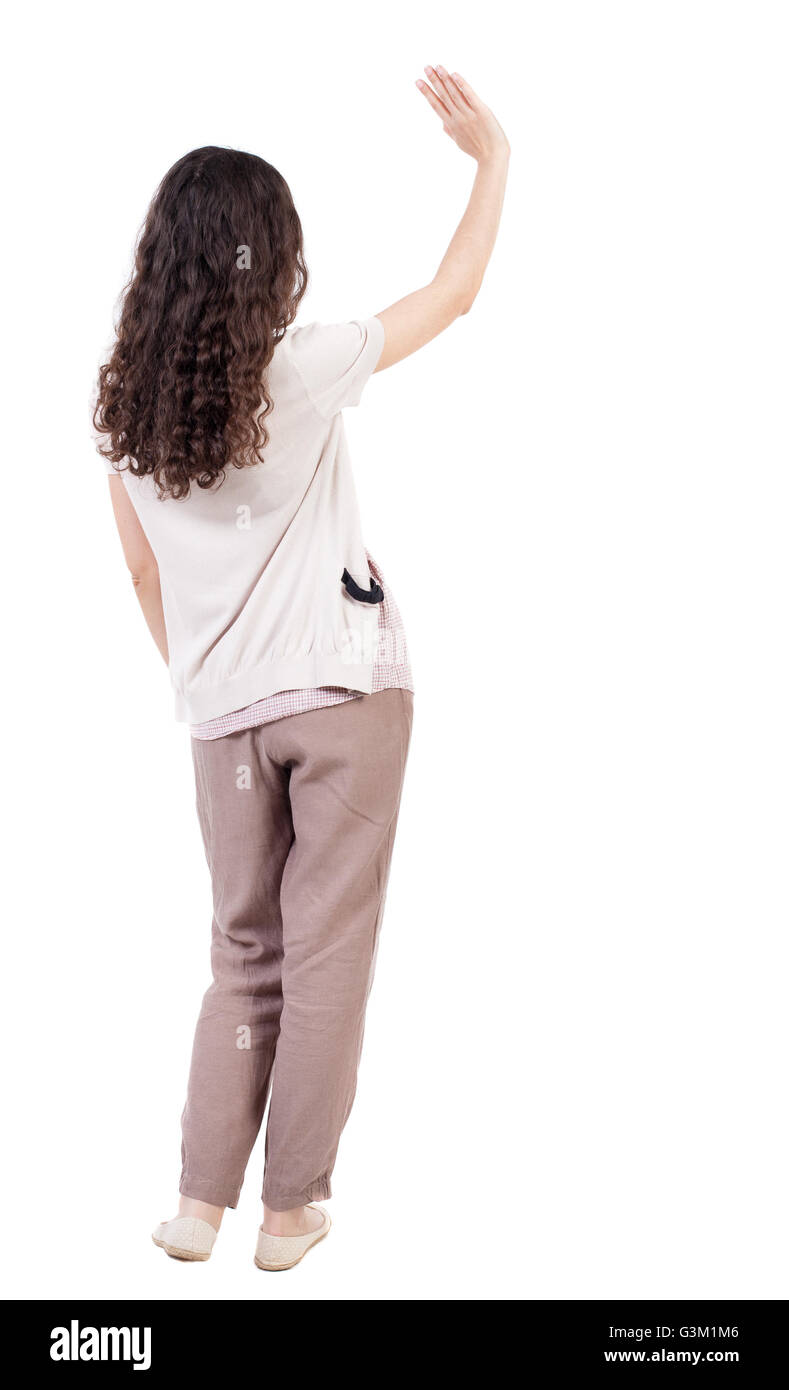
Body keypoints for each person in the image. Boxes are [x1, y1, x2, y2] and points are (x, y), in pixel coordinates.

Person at [94, 63, 509, 1271]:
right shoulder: (303, 366)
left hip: (221, 720)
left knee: (242, 954)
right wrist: (493, 163)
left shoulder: (124, 413)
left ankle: (196, 1206)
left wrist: (209, 685)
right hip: (344, 693)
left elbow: (142, 578)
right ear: (268, 260)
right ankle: (289, 1216)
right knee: (325, 951)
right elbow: (457, 292)